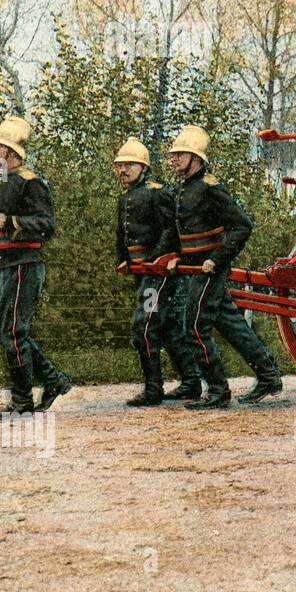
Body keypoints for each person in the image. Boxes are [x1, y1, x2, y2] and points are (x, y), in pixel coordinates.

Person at [166, 125, 284, 410]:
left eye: (180, 155)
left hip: (210, 270)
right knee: (231, 324)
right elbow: (184, 233)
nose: (174, 160)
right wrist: (176, 257)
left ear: (197, 159)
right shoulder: (183, 189)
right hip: (194, 268)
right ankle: (269, 376)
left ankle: (218, 390)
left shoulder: (211, 188)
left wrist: (217, 259)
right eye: (174, 156)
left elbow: (242, 226)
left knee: (194, 327)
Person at [0, 116, 74, 412]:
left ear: (11, 154)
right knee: (6, 331)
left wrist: (11, 222)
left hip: (24, 263)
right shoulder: (0, 178)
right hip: (3, 263)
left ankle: (23, 400)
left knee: (12, 332)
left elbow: (47, 223)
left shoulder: (31, 182)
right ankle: (53, 379)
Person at [112, 137, 203, 407]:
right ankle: (191, 382)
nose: (123, 170)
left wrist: (155, 259)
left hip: (158, 274)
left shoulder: (156, 192)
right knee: (168, 327)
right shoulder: (125, 197)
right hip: (143, 271)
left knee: (145, 324)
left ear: (143, 168)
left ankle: (153, 390)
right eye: (120, 165)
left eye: (130, 165)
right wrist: (123, 259)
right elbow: (122, 235)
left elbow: (170, 230)